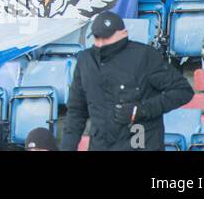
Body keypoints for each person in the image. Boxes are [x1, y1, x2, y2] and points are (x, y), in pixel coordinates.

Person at [60, 11, 194, 151]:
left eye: (106, 37)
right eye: (97, 37)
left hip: (141, 143)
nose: (100, 43)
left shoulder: (144, 56)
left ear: (123, 33)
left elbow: (183, 91)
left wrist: (142, 110)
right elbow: (76, 111)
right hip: (101, 145)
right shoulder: (85, 61)